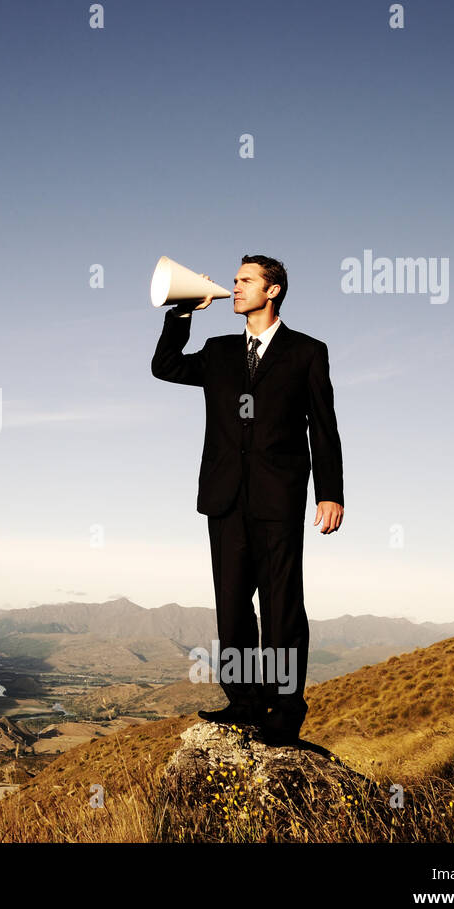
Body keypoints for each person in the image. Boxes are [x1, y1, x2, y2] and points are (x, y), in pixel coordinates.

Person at [150, 255, 343, 745]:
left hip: (279, 498)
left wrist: (330, 493)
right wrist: (186, 309)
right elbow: (165, 366)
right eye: (233, 281)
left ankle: (284, 707)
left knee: (282, 606)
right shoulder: (217, 352)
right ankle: (244, 701)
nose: (234, 288)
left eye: (245, 281)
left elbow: (323, 427)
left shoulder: (306, 352)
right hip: (224, 497)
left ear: (272, 290)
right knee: (232, 606)